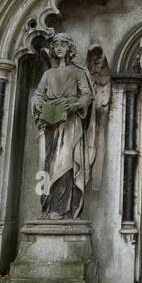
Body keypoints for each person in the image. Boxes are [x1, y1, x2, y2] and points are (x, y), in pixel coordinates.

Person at [31, 34, 93, 218]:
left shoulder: (77, 72)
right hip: (49, 124)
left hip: (69, 123)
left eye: (62, 45)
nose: (58, 48)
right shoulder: (48, 74)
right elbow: (38, 94)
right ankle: (49, 206)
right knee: (48, 163)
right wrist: (38, 103)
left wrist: (76, 105)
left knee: (65, 163)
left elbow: (87, 95)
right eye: (56, 45)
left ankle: (62, 208)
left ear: (69, 49)